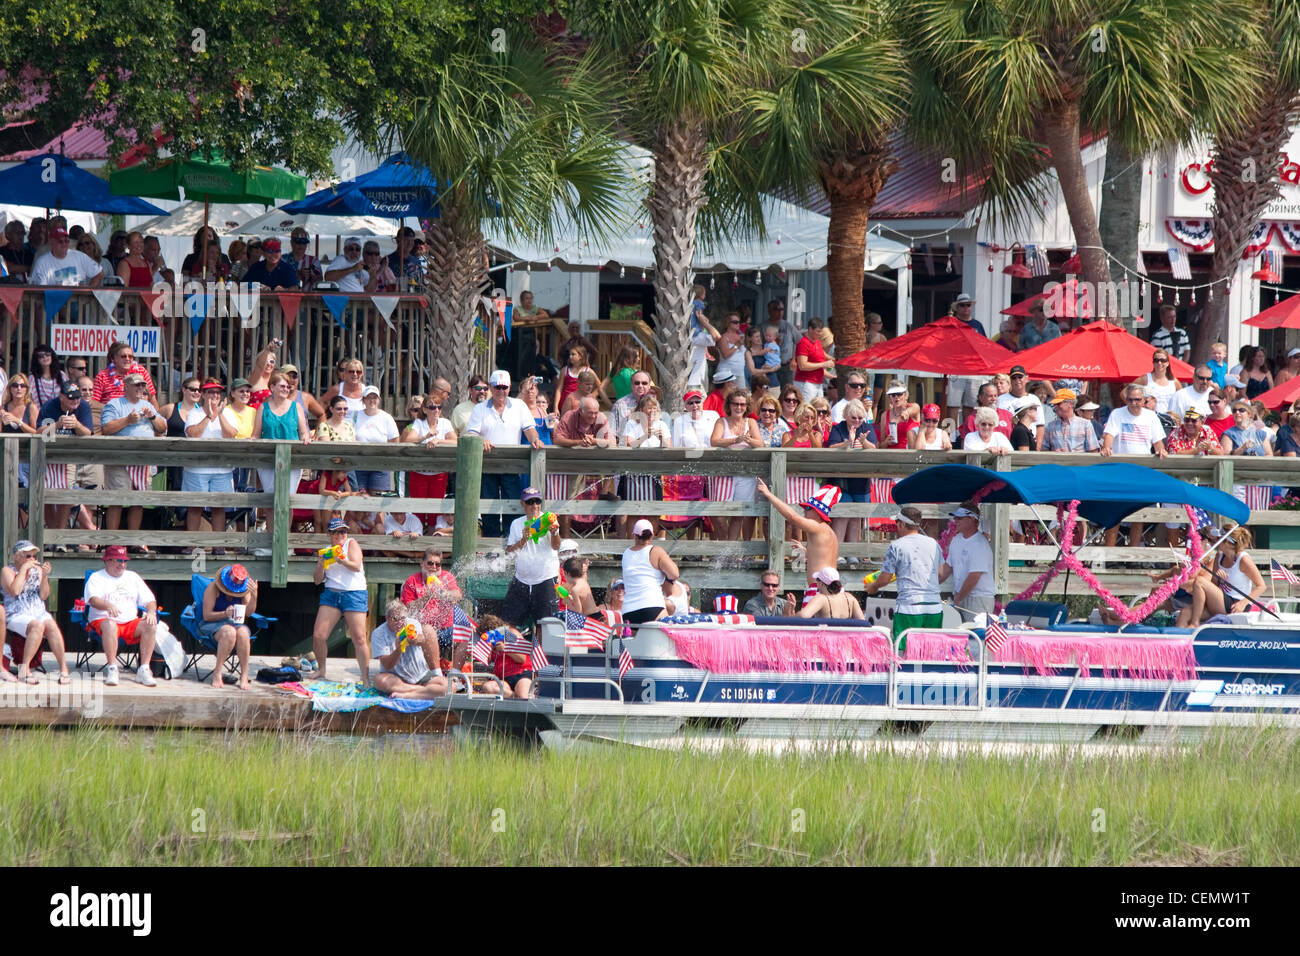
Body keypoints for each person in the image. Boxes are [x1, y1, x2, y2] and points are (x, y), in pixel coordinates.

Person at [467, 370, 545, 537]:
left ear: (510, 388)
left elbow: (529, 429)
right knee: (489, 508)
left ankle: (512, 542)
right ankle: (491, 545)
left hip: (511, 465)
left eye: (504, 387)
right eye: (497, 387)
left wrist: (535, 439)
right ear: (490, 388)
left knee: (514, 507)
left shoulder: (519, 406)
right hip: (487, 466)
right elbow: (471, 434)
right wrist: (481, 441)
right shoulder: (480, 409)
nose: (500, 391)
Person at [99, 372, 167, 542]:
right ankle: (112, 543)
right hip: (120, 459)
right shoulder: (114, 404)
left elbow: (162, 427)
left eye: (143, 385)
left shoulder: (147, 404)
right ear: (126, 386)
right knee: (117, 500)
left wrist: (151, 416)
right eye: (136, 385)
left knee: (138, 501)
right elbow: (106, 429)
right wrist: (127, 420)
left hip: (143, 460)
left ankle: (134, 541)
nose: (140, 388)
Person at [862, 506, 943, 645]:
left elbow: (885, 578)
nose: (896, 528)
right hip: (935, 605)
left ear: (903, 524)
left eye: (897, 524)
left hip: (909, 606)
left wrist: (873, 587)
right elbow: (941, 574)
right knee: (930, 652)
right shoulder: (934, 543)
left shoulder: (896, 546)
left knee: (905, 653)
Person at [83, 544, 159, 687]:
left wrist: (150, 611)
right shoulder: (96, 577)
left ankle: (144, 669)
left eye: (124, 561)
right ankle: (112, 668)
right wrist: (108, 605)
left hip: (130, 622)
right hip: (102, 621)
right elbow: (93, 600)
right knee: (110, 625)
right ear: (107, 561)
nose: (122, 564)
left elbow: (150, 600)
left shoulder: (133, 577)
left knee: (150, 624)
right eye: (118, 560)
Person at [251, 372, 310, 553]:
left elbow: (303, 431)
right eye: (282, 386)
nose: (286, 389)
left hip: (291, 461)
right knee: (271, 499)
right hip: (268, 461)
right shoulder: (263, 408)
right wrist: (250, 442)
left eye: (287, 386)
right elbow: (256, 433)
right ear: (273, 387)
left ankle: (283, 540)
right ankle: (270, 540)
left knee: (287, 500)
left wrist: (306, 439)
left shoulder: (296, 407)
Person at [312, 517, 370, 684]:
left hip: (354, 593)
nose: (340, 535)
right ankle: (321, 669)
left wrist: (340, 559)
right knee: (318, 635)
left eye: (343, 531)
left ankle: (365, 678)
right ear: (329, 534)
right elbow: (317, 580)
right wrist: (320, 564)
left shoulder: (351, 543)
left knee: (359, 638)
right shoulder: (325, 550)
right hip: (332, 593)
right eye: (336, 532)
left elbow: (356, 565)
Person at [2, 541, 69, 684]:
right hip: (16, 612)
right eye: (28, 556)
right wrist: (23, 570)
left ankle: (63, 668)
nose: (32, 558)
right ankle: (24, 670)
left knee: (52, 626)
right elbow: (14, 591)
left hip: (37, 610)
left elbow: (44, 595)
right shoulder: (7, 571)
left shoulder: (37, 571)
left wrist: (44, 576)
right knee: (37, 626)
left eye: (33, 555)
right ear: (17, 556)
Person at [756, 478, 841, 587]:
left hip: (819, 591)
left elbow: (792, 517)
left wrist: (768, 494)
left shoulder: (817, 527)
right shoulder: (830, 533)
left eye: (808, 507)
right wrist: (807, 551)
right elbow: (822, 559)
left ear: (818, 512)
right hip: (833, 590)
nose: (804, 510)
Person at [183, 379, 239, 541]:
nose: (214, 395)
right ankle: (192, 544)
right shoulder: (195, 413)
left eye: (217, 392)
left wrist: (219, 414)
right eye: (210, 392)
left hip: (222, 468)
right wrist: (208, 416)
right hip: (196, 468)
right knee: (195, 507)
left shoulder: (227, 413)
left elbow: (231, 434)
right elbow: (193, 433)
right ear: (204, 395)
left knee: (218, 508)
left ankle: (218, 545)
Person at [36, 380, 93, 534]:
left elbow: (88, 433)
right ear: (61, 397)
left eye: (77, 397)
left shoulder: (83, 407)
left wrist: (77, 425)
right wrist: (57, 425)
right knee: (46, 494)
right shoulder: (50, 406)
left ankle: (59, 535)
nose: (75, 401)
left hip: (70, 457)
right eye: (71, 398)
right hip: (47, 457)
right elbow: (40, 432)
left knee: (65, 493)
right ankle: (52, 534)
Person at [1180, 526, 1266, 626]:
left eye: (1218, 538)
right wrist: (1218, 578)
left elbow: (1261, 586)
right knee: (1185, 613)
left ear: (1228, 543)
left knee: (1199, 581)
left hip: (1236, 604)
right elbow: (1214, 584)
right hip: (1221, 601)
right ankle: (1178, 641)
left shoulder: (1243, 560)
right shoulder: (1219, 556)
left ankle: (1195, 623)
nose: (1215, 541)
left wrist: (1242, 603)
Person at [502, 487, 561, 628]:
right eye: (530, 502)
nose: (534, 505)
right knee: (506, 624)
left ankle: (541, 651)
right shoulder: (516, 523)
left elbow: (556, 547)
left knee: (545, 627)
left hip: (545, 579)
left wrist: (554, 533)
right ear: (522, 504)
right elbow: (509, 552)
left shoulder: (548, 520)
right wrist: (522, 541)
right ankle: (513, 649)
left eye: (537, 501)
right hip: (521, 580)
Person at [710, 388, 763, 540]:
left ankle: (731, 553)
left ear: (747, 406)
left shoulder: (751, 422)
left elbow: (760, 444)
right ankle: (727, 547)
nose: (739, 407)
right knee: (719, 515)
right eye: (735, 404)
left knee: (738, 514)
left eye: (742, 404)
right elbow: (714, 441)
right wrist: (735, 440)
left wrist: (748, 440)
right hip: (724, 472)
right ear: (729, 405)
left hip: (746, 473)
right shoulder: (722, 421)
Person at [195, 564, 258, 689]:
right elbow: (206, 615)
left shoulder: (243, 590)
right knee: (229, 632)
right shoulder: (213, 588)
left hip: (234, 624)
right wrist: (224, 613)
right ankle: (217, 672)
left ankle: (244, 675)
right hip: (211, 625)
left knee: (243, 633)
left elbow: (249, 613)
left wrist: (254, 595)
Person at [370, 599, 448, 699]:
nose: (400, 622)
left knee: (449, 686)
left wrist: (414, 640)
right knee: (379, 680)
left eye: (402, 618)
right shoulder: (379, 633)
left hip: (420, 676)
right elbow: (387, 665)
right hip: (396, 678)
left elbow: (422, 639)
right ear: (387, 618)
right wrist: (399, 649)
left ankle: (410, 694)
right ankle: (425, 691)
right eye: (395, 619)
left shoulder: (411, 623)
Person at [400, 548, 464, 670]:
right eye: (430, 563)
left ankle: (455, 675)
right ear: (421, 563)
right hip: (423, 630)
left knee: (466, 634)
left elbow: (457, 594)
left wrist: (445, 594)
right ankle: (436, 674)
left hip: (446, 628)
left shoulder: (446, 577)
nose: (433, 567)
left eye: (437, 564)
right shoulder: (412, 581)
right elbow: (408, 608)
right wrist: (426, 597)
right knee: (429, 631)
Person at [402, 389, 457, 530]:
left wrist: (439, 440)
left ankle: (432, 535)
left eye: (439, 407)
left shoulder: (445, 423)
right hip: (419, 472)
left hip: (439, 472)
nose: (436, 410)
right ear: (425, 410)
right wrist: (425, 437)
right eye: (432, 407)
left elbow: (455, 441)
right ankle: (417, 535)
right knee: (418, 508)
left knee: (435, 509)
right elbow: (409, 439)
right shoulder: (419, 423)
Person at [939, 504, 995, 621]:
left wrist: (958, 598)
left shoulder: (980, 544)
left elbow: (974, 576)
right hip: (961, 596)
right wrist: (931, 584)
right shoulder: (956, 540)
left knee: (976, 636)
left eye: (960, 518)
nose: (956, 521)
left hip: (979, 600)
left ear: (972, 519)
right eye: (955, 518)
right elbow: (948, 567)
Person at [621, 518, 680, 624]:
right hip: (652, 606)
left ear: (634, 535)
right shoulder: (656, 551)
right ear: (652, 535)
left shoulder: (626, 553)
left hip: (628, 612)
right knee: (668, 637)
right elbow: (674, 574)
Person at [353, 384, 399, 492]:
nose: (372, 400)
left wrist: (387, 457)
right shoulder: (355, 415)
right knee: (358, 497)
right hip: (359, 463)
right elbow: (350, 434)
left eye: (374, 397)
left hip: (380, 463)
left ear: (379, 400)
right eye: (369, 397)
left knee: (378, 498)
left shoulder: (386, 417)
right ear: (363, 400)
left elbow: (394, 439)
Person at [29, 226, 102, 287]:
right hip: (53, 302)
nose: (64, 244)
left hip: (78, 302)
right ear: (51, 242)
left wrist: (89, 292)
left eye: (66, 241)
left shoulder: (80, 256)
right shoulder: (42, 262)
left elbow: (99, 272)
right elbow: (36, 288)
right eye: (60, 241)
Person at [91, 340, 157, 406]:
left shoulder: (141, 371)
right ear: (113, 359)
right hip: (113, 414)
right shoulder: (102, 376)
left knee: (167, 409)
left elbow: (152, 399)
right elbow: (94, 403)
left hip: (140, 412)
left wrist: (154, 415)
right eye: (123, 356)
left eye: (130, 356)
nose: (127, 359)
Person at [791, 567, 864, 619]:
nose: (816, 583)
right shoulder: (850, 598)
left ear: (822, 583)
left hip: (825, 639)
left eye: (817, 580)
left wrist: (789, 617)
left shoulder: (821, 599)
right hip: (844, 639)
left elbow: (803, 616)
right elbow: (862, 622)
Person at [794, 317, 835, 401]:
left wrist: (832, 359)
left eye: (821, 331)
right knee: (807, 409)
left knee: (818, 408)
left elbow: (822, 354)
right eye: (818, 331)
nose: (820, 334)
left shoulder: (817, 342)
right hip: (806, 383)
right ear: (810, 329)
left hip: (818, 383)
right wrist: (824, 364)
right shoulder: (803, 343)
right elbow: (802, 365)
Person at [607, 371, 655, 438]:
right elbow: (611, 433)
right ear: (631, 385)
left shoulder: (654, 405)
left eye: (644, 383)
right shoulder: (620, 405)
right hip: (626, 447)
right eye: (637, 383)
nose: (640, 386)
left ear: (649, 386)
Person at [321, 357, 367, 424]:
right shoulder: (337, 389)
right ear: (345, 373)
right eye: (351, 371)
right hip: (341, 430)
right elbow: (321, 401)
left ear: (362, 374)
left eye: (358, 372)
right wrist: (324, 419)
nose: (355, 374)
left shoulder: (366, 391)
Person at [877, 381, 920, 449]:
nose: (896, 397)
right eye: (893, 395)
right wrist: (886, 442)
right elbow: (881, 445)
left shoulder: (913, 407)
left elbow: (913, 409)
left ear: (906, 396)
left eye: (899, 394)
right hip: (891, 455)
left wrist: (906, 413)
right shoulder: (884, 415)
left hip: (910, 455)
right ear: (890, 398)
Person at [555, 344, 595, 414]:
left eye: (573, 354)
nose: (570, 357)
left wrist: (592, 395)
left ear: (581, 356)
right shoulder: (565, 370)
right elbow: (559, 389)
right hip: (565, 403)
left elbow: (599, 386)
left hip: (580, 403)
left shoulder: (588, 370)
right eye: (570, 354)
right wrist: (555, 407)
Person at [1143, 349, 1180, 414]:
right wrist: (1138, 406)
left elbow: (1182, 400)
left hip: (1168, 421)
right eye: (1156, 360)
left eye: (1163, 360)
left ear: (1167, 363)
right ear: (1153, 362)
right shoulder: (1146, 379)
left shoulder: (1174, 382)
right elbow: (1124, 393)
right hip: (1149, 419)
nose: (1159, 363)